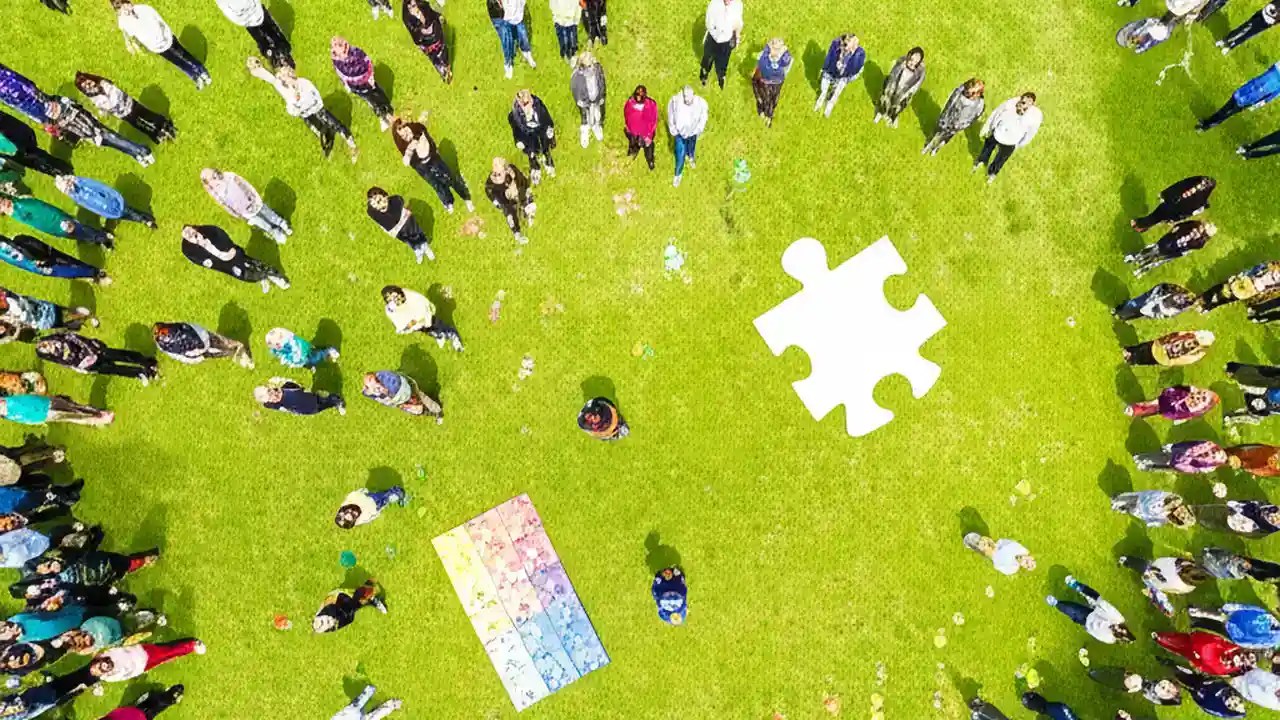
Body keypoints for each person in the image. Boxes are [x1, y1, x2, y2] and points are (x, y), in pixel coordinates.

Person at [247, 58, 357, 161]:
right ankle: (328, 139)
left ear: (291, 76)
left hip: (316, 108)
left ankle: (350, 142)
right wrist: (258, 70)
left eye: (284, 78)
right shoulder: (283, 86)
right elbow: (272, 80)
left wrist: (300, 103)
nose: (282, 81)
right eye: (281, 78)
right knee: (316, 129)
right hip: (304, 113)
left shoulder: (304, 84)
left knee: (333, 123)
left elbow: (315, 98)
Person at [112, 1, 211, 89]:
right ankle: (195, 77)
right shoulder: (123, 21)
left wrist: (168, 35)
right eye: (120, 10)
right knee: (177, 62)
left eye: (124, 6)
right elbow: (127, 33)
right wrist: (132, 45)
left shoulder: (144, 9)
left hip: (167, 39)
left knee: (183, 54)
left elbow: (161, 21)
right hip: (155, 47)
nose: (125, 11)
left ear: (128, 3)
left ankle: (202, 71)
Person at [391, 118, 473, 214]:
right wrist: (409, 151)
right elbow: (407, 160)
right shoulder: (401, 143)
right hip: (422, 167)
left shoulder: (417, 128)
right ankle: (448, 202)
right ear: (397, 133)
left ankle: (466, 198)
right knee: (436, 184)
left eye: (404, 126)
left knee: (449, 177)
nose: (404, 130)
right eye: (400, 129)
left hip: (433, 159)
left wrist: (423, 144)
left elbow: (426, 138)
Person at [43, 97, 154, 167]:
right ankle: (136, 154)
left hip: (97, 131)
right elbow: (75, 133)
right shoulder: (61, 121)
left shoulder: (70, 108)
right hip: (92, 138)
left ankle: (143, 151)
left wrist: (94, 132)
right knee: (117, 145)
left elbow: (86, 120)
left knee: (119, 141)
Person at [180, 224, 290, 293]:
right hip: (226, 266)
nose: (189, 234)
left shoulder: (209, 231)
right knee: (246, 276)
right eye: (186, 235)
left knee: (254, 265)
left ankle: (276, 277)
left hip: (234, 255)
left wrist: (229, 249)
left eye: (190, 231)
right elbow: (202, 261)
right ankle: (261, 278)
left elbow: (222, 235)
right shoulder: (193, 251)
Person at [73, 72, 175, 145]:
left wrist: (109, 104)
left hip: (129, 104)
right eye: (84, 86)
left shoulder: (103, 83)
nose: (87, 85)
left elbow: (114, 96)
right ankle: (155, 135)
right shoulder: (93, 98)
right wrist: (104, 109)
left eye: (87, 81)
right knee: (139, 125)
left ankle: (164, 123)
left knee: (147, 114)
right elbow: (104, 106)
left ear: (90, 78)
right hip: (123, 114)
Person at [200, 168, 292, 245]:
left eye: (214, 175)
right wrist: (236, 214)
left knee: (267, 213)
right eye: (211, 179)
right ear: (208, 184)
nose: (215, 179)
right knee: (261, 223)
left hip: (252, 200)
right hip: (244, 211)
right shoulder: (216, 193)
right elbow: (225, 205)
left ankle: (282, 224)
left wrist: (254, 195)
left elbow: (244, 184)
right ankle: (276, 233)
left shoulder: (229, 177)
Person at [35, 333, 160, 384]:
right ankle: (140, 374)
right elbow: (69, 364)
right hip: (88, 364)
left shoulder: (62, 338)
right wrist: (82, 369)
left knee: (121, 356)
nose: (47, 346)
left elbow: (78, 340)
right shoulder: (57, 358)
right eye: (44, 349)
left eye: (45, 344)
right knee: (115, 369)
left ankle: (147, 362)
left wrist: (92, 349)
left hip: (94, 351)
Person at [1045, 575, 1134, 644]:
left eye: (1118, 630)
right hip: (1093, 614)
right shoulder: (1117, 625)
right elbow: (1110, 610)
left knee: (1074, 610)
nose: (1116, 628)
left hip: (1090, 618)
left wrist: (1088, 629)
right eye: (1120, 628)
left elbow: (1098, 635)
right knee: (1089, 598)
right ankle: (1073, 585)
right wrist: (1100, 603)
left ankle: (1056, 602)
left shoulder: (1112, 634)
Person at [975, 93, 1042, 183]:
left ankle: (992, 173)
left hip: (1011, 141)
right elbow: (997, 113)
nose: (1024, 104)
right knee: (988, 147)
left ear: (1033, 104)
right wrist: (988, 127)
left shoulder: (1035, 116)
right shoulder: (1010, 104)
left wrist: (1021, 143)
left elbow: (1031, 132)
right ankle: (981, 161)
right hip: (998, 134)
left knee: (1001, 159)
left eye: (1028, 103)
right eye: (1023, 101)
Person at [0, 195, 112, 247]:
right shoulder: (13, 213)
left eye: (1, 200)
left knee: (76, 228)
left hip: (53, 218)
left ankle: (103, 237)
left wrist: (59, 217)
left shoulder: (20, 202)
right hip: (47, 226)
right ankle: (97, 237)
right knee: (74, 234)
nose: (3, 203)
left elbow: (42, 207)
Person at [1197, 61, 1280, 131]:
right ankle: (1208, 122)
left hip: (1254, 96)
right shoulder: (1277, 66)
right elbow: (1266, 72)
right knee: (1227, 106)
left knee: (1229, 112)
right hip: (1250, 87)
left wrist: (1259, 104)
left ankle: (1207, 125)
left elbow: (1272, 95)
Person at [332, 37, 393, 131]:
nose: (344, 55)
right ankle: (382, 116)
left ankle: (388, 109)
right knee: (370, 101)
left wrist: (371, 77)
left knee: (378, 94)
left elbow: (368, 63)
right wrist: (346, 84)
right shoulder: (336, 61)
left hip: (368, 82)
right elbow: (339, 73)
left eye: (344, 51)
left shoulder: (356, 53)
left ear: (346, 46)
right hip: (356, 88)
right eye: (340, 53)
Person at [1118, 554, 1209, 616]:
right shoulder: (1188, 587)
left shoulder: (1185, 564)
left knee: (1146, 568)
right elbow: (1171, 589)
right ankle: (1127, 562)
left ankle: (1126, 560)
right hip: (1155, 576)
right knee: (1158, 594)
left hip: (1155, 573)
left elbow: (1166, 564)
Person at [54, 175, 155, 229]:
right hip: (105, 208)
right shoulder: (76, 196)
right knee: (124, 215)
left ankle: (145, 220)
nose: (69, 189)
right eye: (66, 190)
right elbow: (89, 205)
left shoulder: (82, 183)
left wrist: (112, 195)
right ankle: (144, 219)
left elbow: (98, 187)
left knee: (127, 209)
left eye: (68, 186)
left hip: (109, 200)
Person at [0, 234, 109, 284]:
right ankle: (92, 273)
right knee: (65, 272)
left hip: (36, 253)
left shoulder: (18, 240)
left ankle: (94, 271)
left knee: (68, 261)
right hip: (34, 265)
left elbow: (14, 245)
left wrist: (39, 256)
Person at [215, 0, 293, 70]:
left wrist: (256, 12)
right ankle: (275, 57)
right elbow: (229, 13)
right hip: (248, 19)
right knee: (264, 39)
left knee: (270, 33)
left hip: (255, 14)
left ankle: (282, 53)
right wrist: (245, 21)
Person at [382, 285, 463, 350]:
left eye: (396, 297)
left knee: (439, 326)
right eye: (391, 300)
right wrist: (407, 326)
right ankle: (440, 336)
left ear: (400, 293)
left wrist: (414, 322)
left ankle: (455, 338)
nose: (396, 301)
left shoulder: (413, 297)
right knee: (428, 331)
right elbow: (398, 322)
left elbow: (423, 310)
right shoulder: (391, 309)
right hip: (417, 324)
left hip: (426, 317)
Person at [1124, 220, 1216, 276]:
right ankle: (1135, 257)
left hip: (1175, 250)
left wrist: (1177, 254)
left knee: (1158, 260)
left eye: (1204, 230)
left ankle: (1141, 269)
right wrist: (1175, 229)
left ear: (1205, 235)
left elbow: (1188, 249)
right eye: (1203, 226)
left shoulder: (1200, 243)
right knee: (1154, 248)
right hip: (1170, 239)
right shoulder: (1194, 224)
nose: (1201, 228)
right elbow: (1182, 225)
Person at [88, 639, 205, 682]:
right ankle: (188, 648)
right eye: (99, 671)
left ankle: (193, 644)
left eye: (98, 665)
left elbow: (122, 653)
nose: (101, 667)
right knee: (166, 657)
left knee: (167, 652)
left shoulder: (109, 654)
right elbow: (123, 675)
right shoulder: (109, 677)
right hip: (142, 667)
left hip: (142, 653)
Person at [366, 187, 432, 262]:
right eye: (374, 204)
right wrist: (386, 230)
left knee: (417, 234)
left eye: (379, 200)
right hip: (396, 231)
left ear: (385, 196)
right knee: (408, 241)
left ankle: (425, 246)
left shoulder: (396, 200)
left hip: (407, 223)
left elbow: (406, 205)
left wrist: (407, 213)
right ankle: (417, 250)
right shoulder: (372, 212)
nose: (379, 205)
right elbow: (378, 221)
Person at [154, 321, 253, 368]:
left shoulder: (181, 328)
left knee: (224, 343)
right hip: (201, 352)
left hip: (205, 340)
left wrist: (205, 342)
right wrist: (196, 358)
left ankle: (241, 346)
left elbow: (196, 330)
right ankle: (236, 352)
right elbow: (180, 356)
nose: (163, 333)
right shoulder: (166, 347)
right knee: (223, 351)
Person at [1132, 176, 1215, 231]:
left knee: (1156, 217)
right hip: (1170, 203)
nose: (1199, 186)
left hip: (1174, 211)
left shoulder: (1198, 201)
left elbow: (1188, 213)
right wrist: (1165, 194)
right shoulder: (1190, 185)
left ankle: (1139, 224)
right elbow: (1178, 186)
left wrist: (1175, 219)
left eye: (1203, 185)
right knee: (1155, 215)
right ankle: (1142, 225)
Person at [0, 112, 71, 177]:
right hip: (17, 135)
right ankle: (61, 170)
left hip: (15, 141)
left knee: (34, 158)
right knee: (34, 156)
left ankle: (62, 171)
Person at [924, 79, 985, 155]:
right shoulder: (960, 91)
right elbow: (950, 102)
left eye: (971, 93)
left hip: (957, 125)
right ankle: (928, 144)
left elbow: (974, 117)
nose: (967, 93)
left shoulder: (979, 105)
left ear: (977, 94)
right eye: (967, 90)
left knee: (946, 137)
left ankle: (936, 148)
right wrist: (945, 114)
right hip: (947, 117)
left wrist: (962, 125)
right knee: (937, 130)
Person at [1155, 631, 1254, 676]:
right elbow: (1223, 641)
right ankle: (1163, 637)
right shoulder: (1236, 647)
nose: (1246, 659)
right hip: (1201, 642)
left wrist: (1197, 662)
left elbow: (1212, 669)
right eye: (1249, 657)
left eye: (1249, 661)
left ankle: (1161, 639)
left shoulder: (1229, 667)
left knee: (1181, 648)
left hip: (1198, 654)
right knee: (1182, 639)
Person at [509, 90, 555, 184]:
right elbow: (516, 130)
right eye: (524, 104)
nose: (527, 107)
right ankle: (535, 167)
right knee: (531, 152)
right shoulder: (515, 115)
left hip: (541, 129)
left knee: (545, 147)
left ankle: (548, 160)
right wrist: (519, 141)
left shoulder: (538, 106)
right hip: (527, 135)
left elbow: (546, 117)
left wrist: (549, 129)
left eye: (528, 102)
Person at [485, 158, 535, 244]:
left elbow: (520, 179)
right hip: (505, 198)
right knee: (510, 213)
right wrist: (496, 202)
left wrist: (525, 188)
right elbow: (489, 192)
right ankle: (517, 232)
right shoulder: (492, 182)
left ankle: (529, 214)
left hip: (516, 190)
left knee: (526, 199)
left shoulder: (511, 170)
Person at [0, 288, 95, 333]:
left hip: (43, 310)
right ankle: (81, 318)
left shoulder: (9, 298)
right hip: (43, 318)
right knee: (62, 318)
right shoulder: (13, 309)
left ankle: (79, 317)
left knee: (61, 312)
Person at [1169, 663, 1248, 718]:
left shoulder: (1216, 706)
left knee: (1189, 682)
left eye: (1234, 705)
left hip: (1201, 691)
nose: (1235, 700)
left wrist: (1198, 692)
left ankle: (1177, 677)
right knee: (1195, 675)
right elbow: (1222, 682)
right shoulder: (1233, 692)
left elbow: (1204, 703)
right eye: (1239, 701)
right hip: (1208, 683)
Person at [815, 34, 865, 118]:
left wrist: (844, 67)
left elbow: (855, 70)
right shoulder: (836, 44)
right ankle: (819, 102)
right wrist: (825, 68)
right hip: (830, 71)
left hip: (844, 76)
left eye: (852, 46)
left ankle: (828, 108)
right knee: (824, 90)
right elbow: (829, 58)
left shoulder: (859, 54)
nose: (845, 48)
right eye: (844, 44)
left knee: (836, 93)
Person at [361, 371, 442, 421]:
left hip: (405, 390)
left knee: (423, 398)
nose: (373, 385)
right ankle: (431, 412)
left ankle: (438, 411)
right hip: (401, 399)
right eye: (369, 384)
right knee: (418, 409)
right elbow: (367, 393)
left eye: (371, 380)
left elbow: (396, 381)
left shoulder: (386, 379)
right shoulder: (374, 392)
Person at [403, 0, 452, 83]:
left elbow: (431, 13)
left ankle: (447, 66)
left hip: (435, 33)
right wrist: (422, 27)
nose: (413, 8)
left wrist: (438, 16)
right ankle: (442, 71)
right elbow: (415, 36)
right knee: (434, 57)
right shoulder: (408, 18)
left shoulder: (423, 5)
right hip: (425, 41)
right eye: (410, 7)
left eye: (414, 5)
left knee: (443, 50)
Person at [668, 85, 708, 187]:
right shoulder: (675, 102)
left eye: (689, 97)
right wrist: (674, 131)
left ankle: (691, 157)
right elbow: (671, 116)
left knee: (691, 148)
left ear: (693, 95)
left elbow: (704, 117)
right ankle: (678, 174)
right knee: (680, 154)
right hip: (680, 135)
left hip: (692, 133)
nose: (686, 99)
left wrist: (698, 130)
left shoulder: (700, 103)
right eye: (685, 96)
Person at [875, 47, 925, 127]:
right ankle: (881, 112)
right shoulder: (901, 62)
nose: (912, 63)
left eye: (916, 62)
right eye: (911, 60)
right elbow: (892, 74)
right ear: (909, 55)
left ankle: (893, 117)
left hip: (905, 91)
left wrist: (907, 94)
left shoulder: (919, 73)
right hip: (893, 85)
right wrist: (901, 67)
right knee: (885, 98)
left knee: (899, 105)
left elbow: (916, 86)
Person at [1189, 605, 1280, 649]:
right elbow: (1259, 610)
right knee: (1218, 616)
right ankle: (1196, 613)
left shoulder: (1273, 640)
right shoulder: (1275, 620)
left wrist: (1239, 640)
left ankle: (1197, 618)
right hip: (1238, 621)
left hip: (1238, 630)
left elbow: (1255, 644)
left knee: (1217, 623)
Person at [699, 0, 743, 89]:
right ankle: (704, 74)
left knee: (723, 61)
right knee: (707, 58)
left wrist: (736, 36)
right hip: (713, 37)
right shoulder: (714, 4)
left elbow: (738, 22)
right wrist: (718, 33)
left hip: (727, 40)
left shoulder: (738, 5)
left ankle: (721, 76)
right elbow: (709, 22)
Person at [313, 580, 386, 633]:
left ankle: (370, 596)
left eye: (328, 621)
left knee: (363, 593)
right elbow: (348, 619)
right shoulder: (327, 626)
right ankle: (369, 598)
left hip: (341, 596)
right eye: (329, 624)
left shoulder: (329, 603)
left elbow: (338, 595)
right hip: (341, 608)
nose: (331, 622)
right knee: (352, 609)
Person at [1087, 667, 1182, 706]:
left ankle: (1095, 674)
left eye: (1167, 690)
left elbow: (1147, 693)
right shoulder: (1156, 683)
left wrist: (1137, 686)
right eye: (1168, 684)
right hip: (1137, 682)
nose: (1164, 686)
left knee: (1114, 679)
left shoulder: (1154, 694)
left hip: (1133, 684)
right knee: (1115, 674)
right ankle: (1097, 672)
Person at [753, 39, 792, 127]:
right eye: (774, 47)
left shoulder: (785, 57)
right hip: (766, 81)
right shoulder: (765, 55)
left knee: (774, 100)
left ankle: (769, 114)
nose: (775, 50)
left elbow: (786, 68)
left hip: (777, 81)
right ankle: (764, 113)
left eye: (777, 48)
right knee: (765, 98)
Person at [0, 395, 110, 427]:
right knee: (74, 416)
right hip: (44, 413)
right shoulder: (9, 411)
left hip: (45, 402)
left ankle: (97, 412)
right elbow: (26, 417)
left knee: (72, 406)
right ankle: (99, 420)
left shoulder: (7, 400)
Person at [571, 53, 607, 148]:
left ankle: (596, 126)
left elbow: (602, 82)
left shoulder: (598, 69)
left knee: (597, 114)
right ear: (583, 67)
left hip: (596, 99)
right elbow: (574, 89)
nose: (593, 67)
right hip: (585, 101)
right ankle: (585, 131)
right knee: (585, 116)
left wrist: (602, 96)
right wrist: (579, 101)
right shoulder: (577, 77)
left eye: (593, 64)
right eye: (590, 66)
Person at [255, 378, 345, 416]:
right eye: (269, 400)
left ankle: (336, 400)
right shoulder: (269, 405)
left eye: (270, 394)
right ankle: (332, 402)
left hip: (311, 400)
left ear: (271, 390)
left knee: (324, 402)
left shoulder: (286, 387)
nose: (272, 399)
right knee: (319, 409)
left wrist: (304, 390)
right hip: (304, 410)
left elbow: (298, 387)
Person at [1122, 330, 1214, 367]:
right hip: (1160, 348)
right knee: (1145, 349)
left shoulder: (1197, 353)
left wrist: (1171, 361)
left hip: (1164, 355)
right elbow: (1177, 334)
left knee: (1146, 356)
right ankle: (1130, 352)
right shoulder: (1191, 335)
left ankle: (1131, 358)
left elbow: (1186, 360)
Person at [1125, 386, 1219, 421]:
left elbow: (1184, 411)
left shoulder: (1191, 409)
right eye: (1202, 393)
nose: (1199, 396)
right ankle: (1140, 410)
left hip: (1177, 407)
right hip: (1178, 398)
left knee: (1156, 406)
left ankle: (1135, 410)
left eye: (1202, 399)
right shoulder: (1191, 392)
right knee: (1156, 403)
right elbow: (1190, 390)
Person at [1132, 440, 1227, 473]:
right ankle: (1141, 458)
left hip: (1180, 463)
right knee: (1163, 457)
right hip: (1180, 452)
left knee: (1164, 462)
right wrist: (1174, 446)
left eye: (1214, 456)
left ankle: (1145, 465)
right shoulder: (1207, 444)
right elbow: (1189, 443)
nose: (1211, 454)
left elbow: (1193, 470)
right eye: (1213, 452)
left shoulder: (1210, 467)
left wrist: (1179, 466)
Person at [1196, 501, 1280, 538]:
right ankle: (1197, 513)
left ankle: (1199, 519)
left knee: (1220, 523)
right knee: (1217, 510)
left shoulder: (1258, 526)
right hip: (1245, 511)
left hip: (1245, 522)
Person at [334, 486, 406, 529]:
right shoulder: (360, 519)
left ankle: (392, 492)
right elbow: (369, 518)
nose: (354, 512)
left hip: (370, 497)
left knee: (382, 495)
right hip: (375, 507)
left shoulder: (350, 500)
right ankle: (392, 496)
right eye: (354, 515)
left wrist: (362, 490)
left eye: (351, 511)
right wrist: (377, 514)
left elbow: (355, 493)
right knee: (384, 501)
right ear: (354, 520)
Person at [266, 328, 339, 370]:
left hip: (303, 354)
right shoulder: (278, 347)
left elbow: (299, 349)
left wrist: (297, 358)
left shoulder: (291, 341)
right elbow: (279, 353)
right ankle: (313, 364)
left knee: (315, 357)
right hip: (300, 359)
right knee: (309, 363)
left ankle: (328, 352)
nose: (278, 346)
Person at [1112, 490, 1196, 527]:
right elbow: (1157, 497)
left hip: (1142, 511)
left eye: (1181, 517)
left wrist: (1150, 521)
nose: (1180, 513)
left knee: (1130, 509)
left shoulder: (1166, 519)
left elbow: (1155, 520)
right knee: (1123, 500)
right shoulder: (1174, 500)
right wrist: (1167, 506)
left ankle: (1122, 507)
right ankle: (1117, 500)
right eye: (1183, 512)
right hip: (1143, 500)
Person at [961, 533, 1035, 574]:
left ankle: (971, 543)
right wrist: (994, 544)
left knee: (982, 547)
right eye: (1028, 562)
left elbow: (998, 566)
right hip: (996, 545)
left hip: (993, 555)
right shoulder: (1020, 549)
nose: (1025, 563)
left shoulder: (1012, 569)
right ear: (1030, 557)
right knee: (984, 542)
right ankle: (974, 538)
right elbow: (1005, 542)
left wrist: (992, 553)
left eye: (1026, 566)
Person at [101, 684, 185, 720]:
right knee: (154, 707)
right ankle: (170, 697)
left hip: (130, 714)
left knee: (154, 705)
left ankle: (170, 697)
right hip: (133, 714)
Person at [624, 85, 658, 169]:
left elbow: (653, 120)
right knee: (633, 144)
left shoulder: (651, 105)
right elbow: (626, 114)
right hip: (633, 132)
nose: (638, 98)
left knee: (648, 148)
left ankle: (650, 160)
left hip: (646, 133)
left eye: (640, 96)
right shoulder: (630, 103)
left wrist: (649, 136)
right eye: (637, 96)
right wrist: (628, 128)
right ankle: (633, 152)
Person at [502, 0, 538, 78]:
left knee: (523, 36)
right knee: (508, 42)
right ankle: (508, 64)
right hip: (507, 19)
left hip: (518, 19)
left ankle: (526, 53)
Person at [331, 685, 402, 720]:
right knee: (357, 706)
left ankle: (392, 704)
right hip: (349, 713)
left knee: (373, 716)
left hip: (351, 715)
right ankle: (369, 690)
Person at [551, 0, 582, 65]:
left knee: (572, 39)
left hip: (572, 20)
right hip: (560, 20)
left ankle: (572, 53)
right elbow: (553, 4)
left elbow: (578, 5)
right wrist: (556, 16)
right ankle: (565, 53)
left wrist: (577, 18)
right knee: (564, 40)